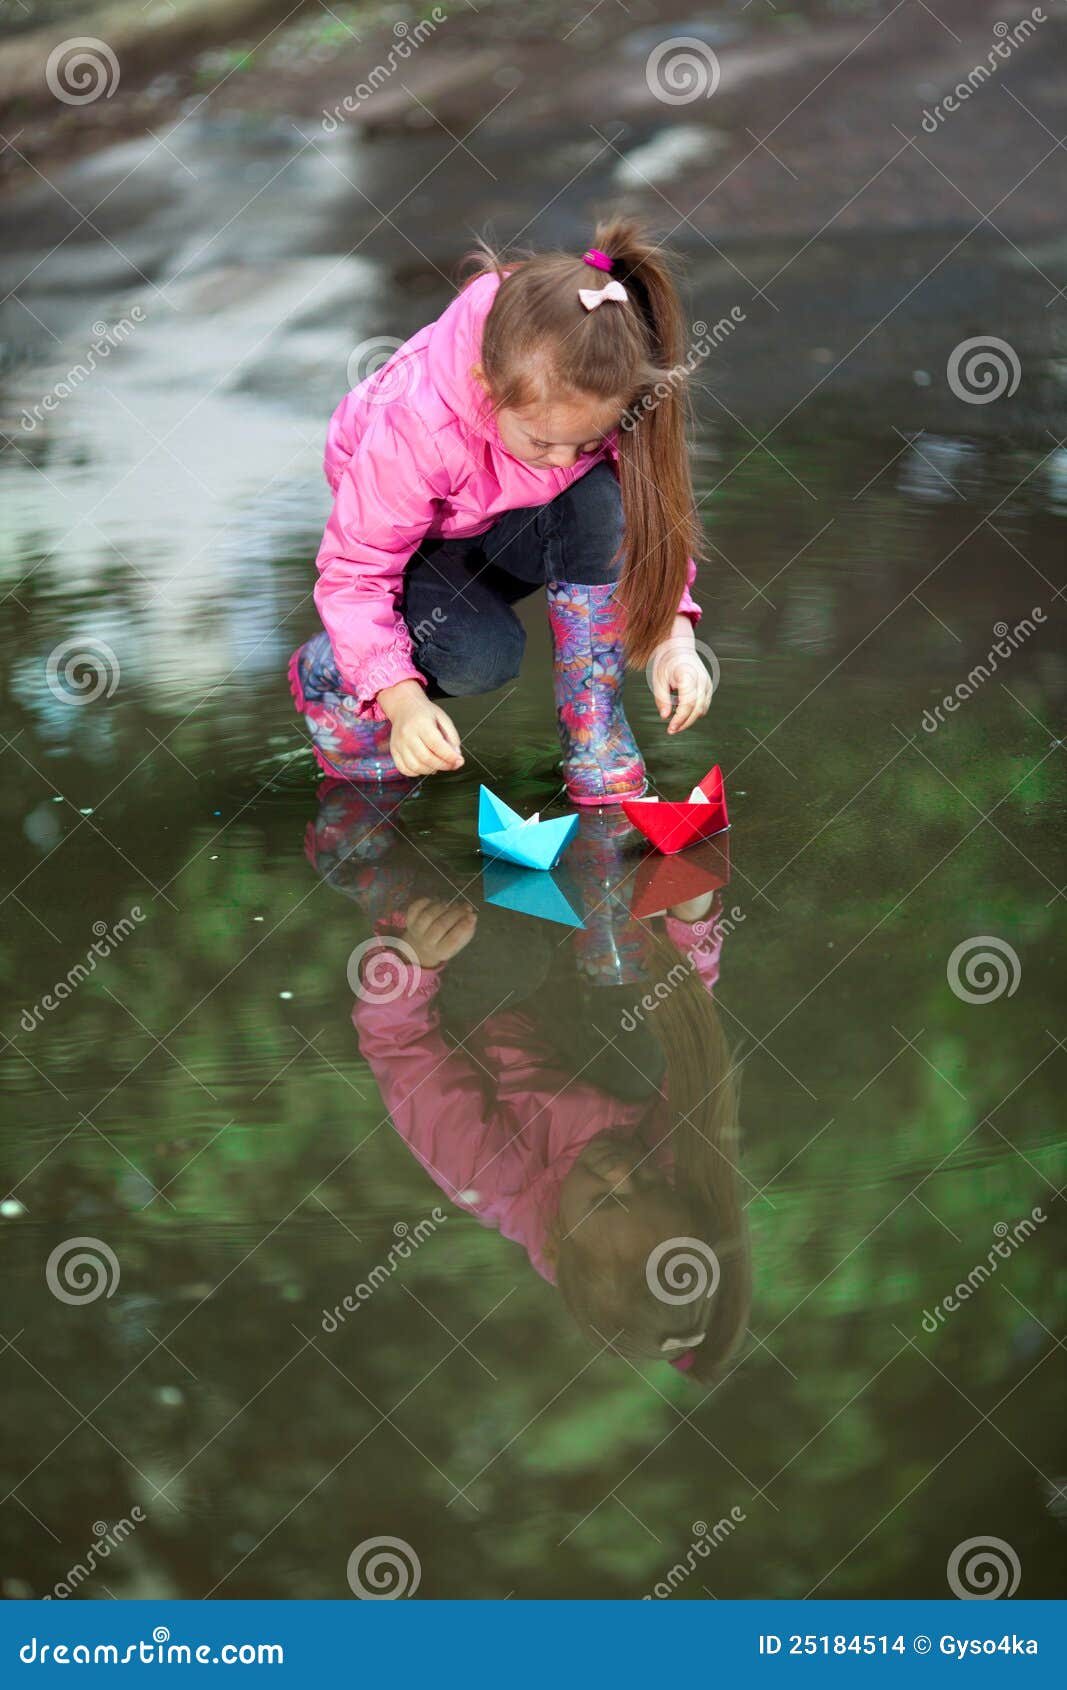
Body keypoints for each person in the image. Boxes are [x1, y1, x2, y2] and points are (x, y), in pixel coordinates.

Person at [289, 217, 712, 799]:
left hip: (500, 519)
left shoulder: (592, 393)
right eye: (543, 443)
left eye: (586, 443)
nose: (562, 461)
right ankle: (334, 672)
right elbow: (356, 573)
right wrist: (403, 700)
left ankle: (592, 731)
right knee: (481, 658)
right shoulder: (416, 425)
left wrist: (674, 639)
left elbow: (649, 523)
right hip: (423, 546)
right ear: (484, 386)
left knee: (598, 497)